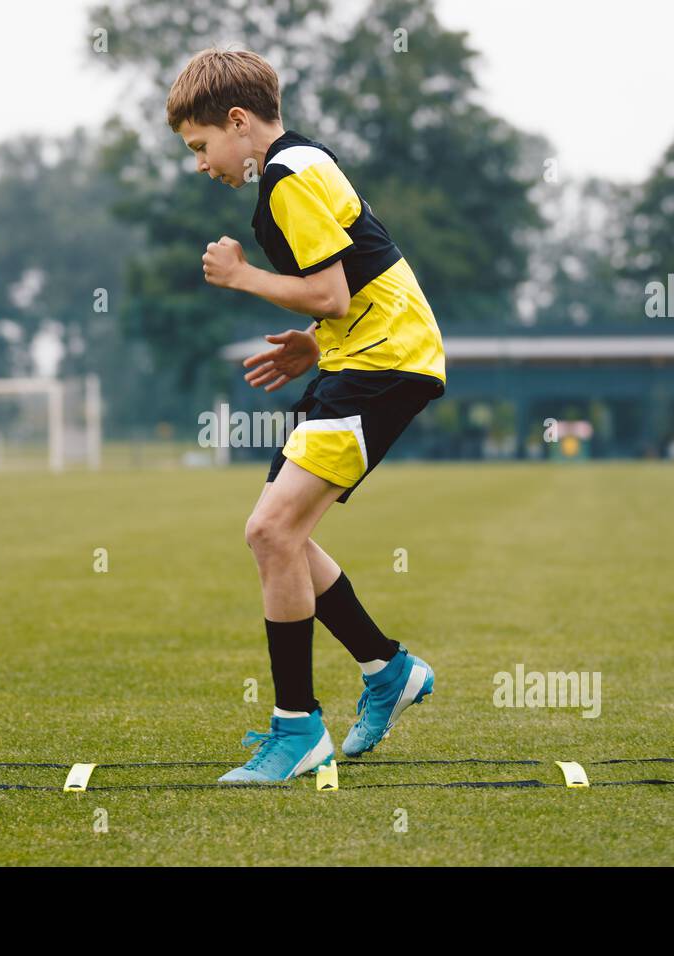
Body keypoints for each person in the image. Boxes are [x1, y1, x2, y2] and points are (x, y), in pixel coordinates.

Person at [167, 47, 447, 783]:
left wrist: (241, 278)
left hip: (387, 363)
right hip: (366, 358)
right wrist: (316, 345)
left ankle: (298, 728)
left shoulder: (287, 180)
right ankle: (387, 671)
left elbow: (330, 292)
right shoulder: (304, 162)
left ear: (236, 121)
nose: (201, 164)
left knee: (271, 530)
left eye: (201, 146)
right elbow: (358, 280)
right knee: (279, 536)